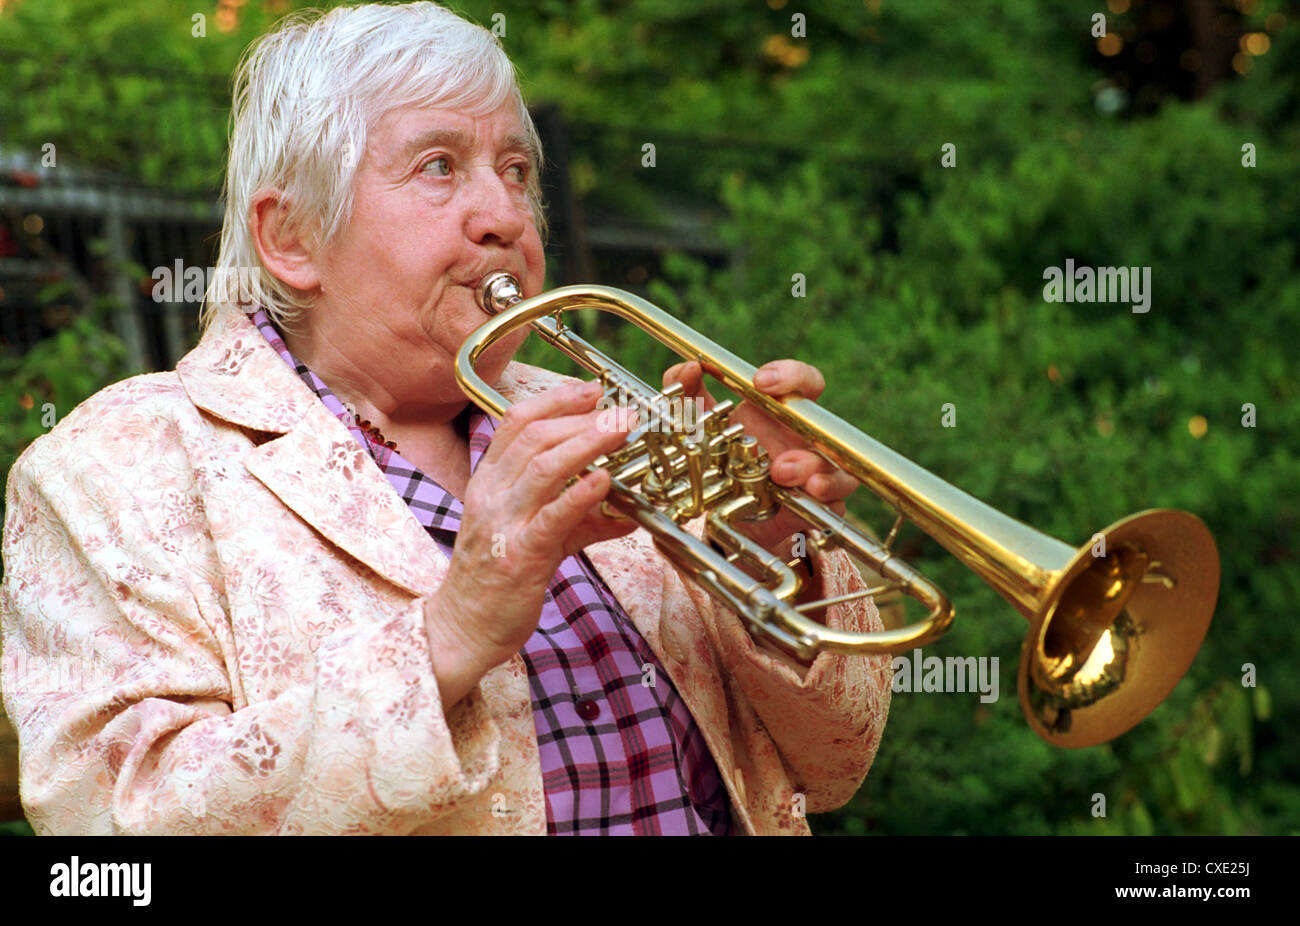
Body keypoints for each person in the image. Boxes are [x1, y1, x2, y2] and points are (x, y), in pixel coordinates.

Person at [0, 2, 891, 835]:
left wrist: (769, 545)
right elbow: (114, 831)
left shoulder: (617, 417)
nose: (504, 215)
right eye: (439, 167)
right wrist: (452, 632)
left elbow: (836, 763)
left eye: (516, 172)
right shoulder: (111, 467)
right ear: (293, 238)